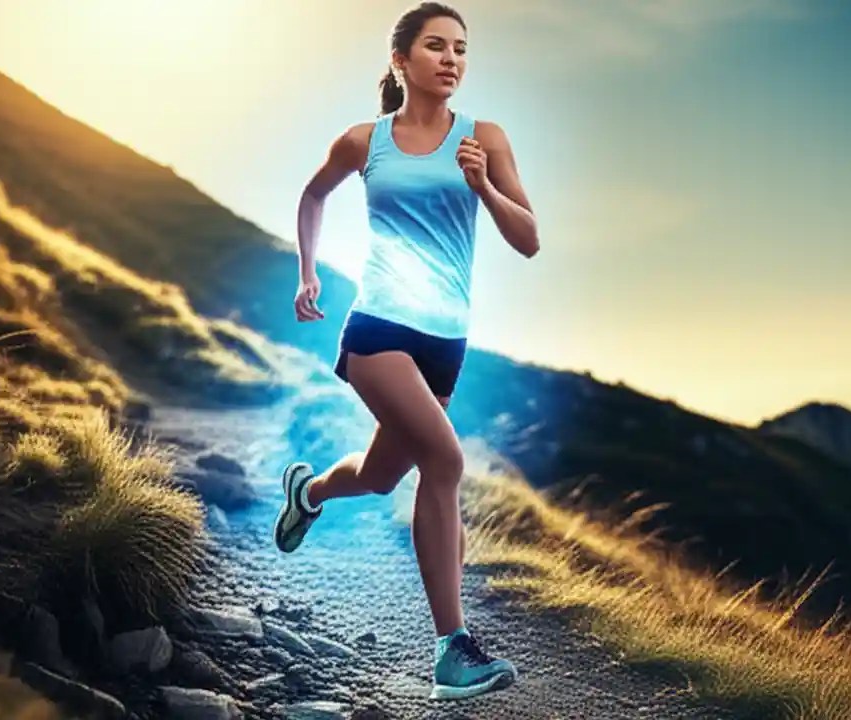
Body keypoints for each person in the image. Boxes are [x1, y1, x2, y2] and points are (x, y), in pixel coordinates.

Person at [271, 1, 539, 702]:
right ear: (401, 60)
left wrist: (483, 185)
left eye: (461, 49)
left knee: (381, 474)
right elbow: (312, 196)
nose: (451, 59)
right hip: (378, 328)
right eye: (436, 46)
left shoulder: (485, 139)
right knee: (444, 461)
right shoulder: (366, 142)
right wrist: (307, 272)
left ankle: (309, 492)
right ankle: (453, 651)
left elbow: (529, 239)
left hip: (446, 340)